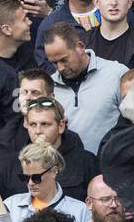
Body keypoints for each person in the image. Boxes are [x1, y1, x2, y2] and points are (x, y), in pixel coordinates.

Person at [40, 23, 126, 154]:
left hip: (110, 167)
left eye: (64, 60)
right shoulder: (48, 86)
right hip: (67, 169)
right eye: (54, 63)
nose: (60, 68)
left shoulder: (116, 74)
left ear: (80, 47)